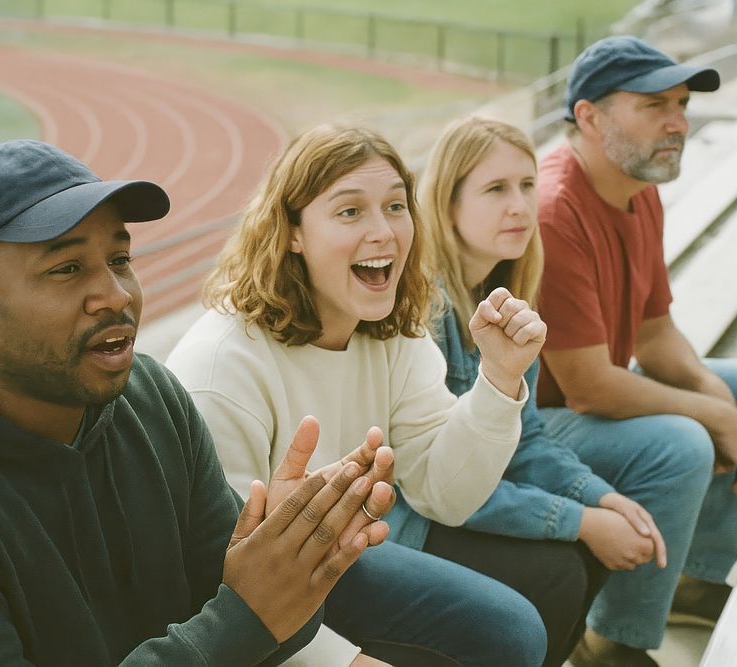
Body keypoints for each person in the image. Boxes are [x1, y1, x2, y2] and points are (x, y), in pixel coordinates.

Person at [0, 139, 399, 666]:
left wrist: (294, 561)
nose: (115, 295)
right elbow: (239, 626)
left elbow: (256, 632)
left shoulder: (153, 400)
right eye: (67, 269)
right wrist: (250, 613)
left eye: (120, 260)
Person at [166, 124, 550, 666]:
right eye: (350, 212)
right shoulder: (221, 369)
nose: (385, 232)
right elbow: (216, 580)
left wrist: (500, 379)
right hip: (235, 606)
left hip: (333, 560)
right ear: (292, 231)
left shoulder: (394, 330)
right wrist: (343, 660)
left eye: (396, 207)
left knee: (514, 629)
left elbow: (448, 495)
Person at [534, 36, 737, 666]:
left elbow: (653, 333)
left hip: (583, 400)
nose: (679, 123)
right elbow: (589, 386)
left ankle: (689, 581)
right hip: (528, 427)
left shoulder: (637, 187)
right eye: (655, 106)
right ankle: (610, 640)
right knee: (684, 440)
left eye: (682, 105)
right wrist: (715, 418)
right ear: (589, 116)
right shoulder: (555, 210)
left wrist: (718, 397)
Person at [419, 115, 671, 666]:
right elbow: (440, 484)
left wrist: (601, 498)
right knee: (561, 568)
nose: (520, 206)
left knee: (606, 543)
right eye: (495, 189)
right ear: (447, 202)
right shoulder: (426, 309)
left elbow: (526, 441)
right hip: (418, 517)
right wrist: (579, 520)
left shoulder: (505, 295)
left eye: (528, 185)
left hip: (465, 499)